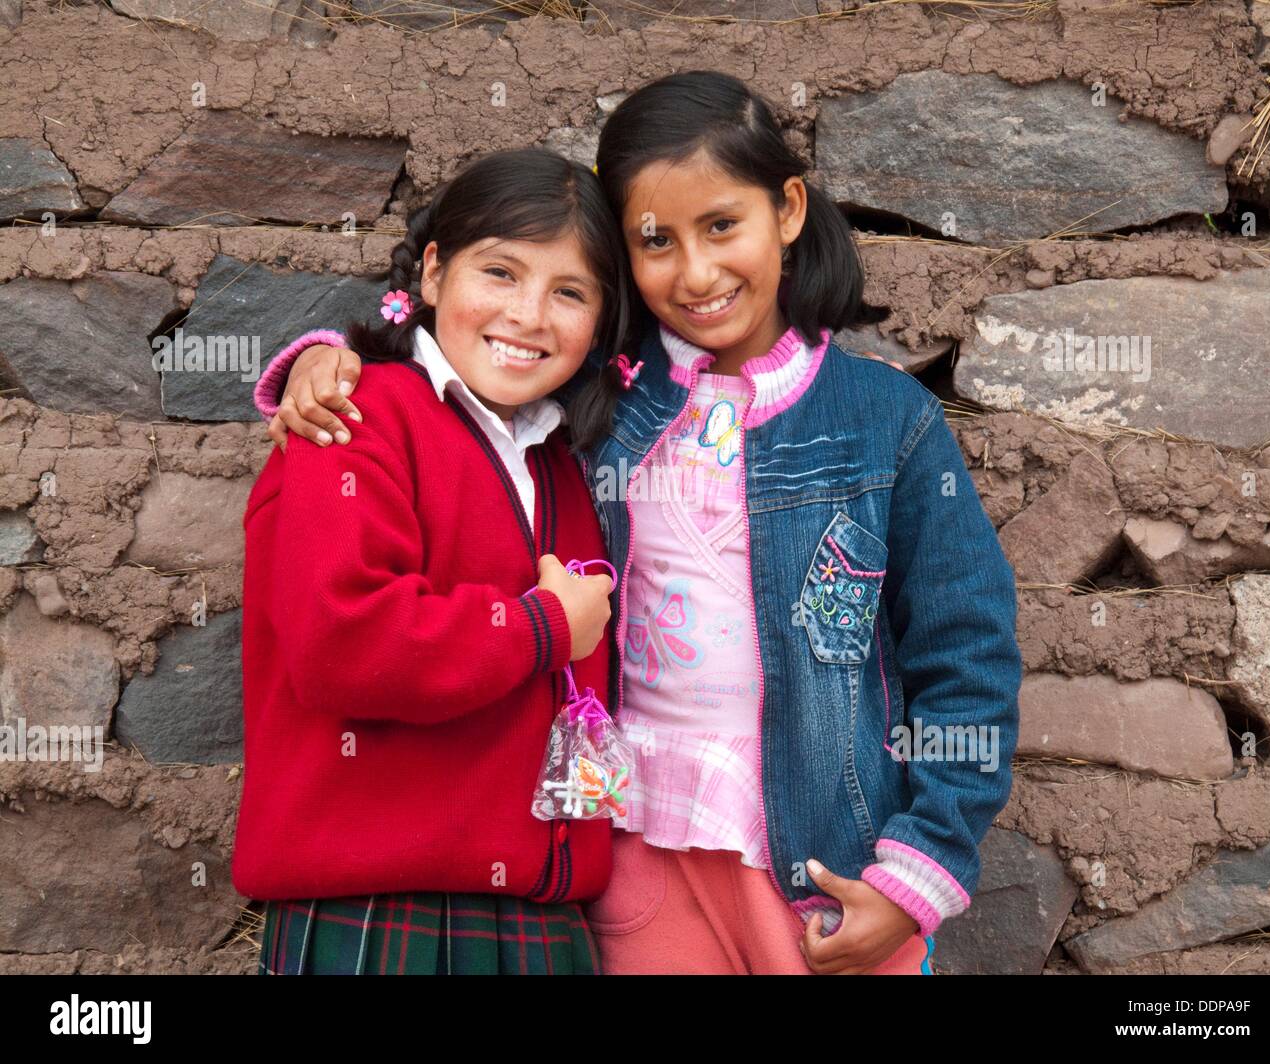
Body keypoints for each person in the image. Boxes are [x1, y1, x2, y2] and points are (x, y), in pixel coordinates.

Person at [251, 71, 1021, 975]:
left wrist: (915, 875)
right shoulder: (603, 407)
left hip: (827, 875)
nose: (696, 273)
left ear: (789, 209)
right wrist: (327, 360)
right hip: (633, 861)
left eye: (721, 225)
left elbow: (966, 655)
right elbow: (468, 369)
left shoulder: (885, 421)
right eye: (655, 241)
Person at [234, 147, 632, 974]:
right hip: (382, 914)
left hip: (545, 918)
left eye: (570, 292)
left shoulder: (561, 459)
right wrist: (544, 626)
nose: (528, 315)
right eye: (500, 272)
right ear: (434, 272)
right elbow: (343, 638)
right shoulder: (355, 416)